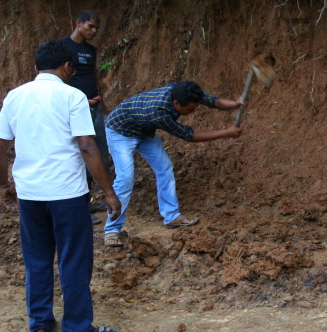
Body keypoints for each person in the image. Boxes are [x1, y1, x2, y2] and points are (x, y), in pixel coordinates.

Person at [0, 40, 122, 332]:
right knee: (73, 260)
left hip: (30, 195)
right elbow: (87, 145)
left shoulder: (15, 96)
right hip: (67, 194)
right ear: (67, 67)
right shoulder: (72, 96)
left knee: (36, 259)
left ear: (35, 68)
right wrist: (109, 192)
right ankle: (78, 330)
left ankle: (39, 325)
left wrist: (3, 186)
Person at [102, 80, 243, 246]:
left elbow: (213, 101)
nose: (192, 111)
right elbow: (188, 135)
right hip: (120, 132)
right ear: (176, 103)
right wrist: (226, 133)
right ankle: (112, 230)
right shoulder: (158, 111)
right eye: (189, 109)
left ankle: (171, 216)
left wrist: (234, 104)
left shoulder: (183, 92)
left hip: (144, 131)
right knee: (126, 177)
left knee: (164, 167)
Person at [59, 10, 110, 223]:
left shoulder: (91, 50)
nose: (94, 31)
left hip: (94, 106)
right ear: (78, 23)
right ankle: (78, 208)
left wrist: (103, 105)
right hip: (74, 108)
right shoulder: (62, 47)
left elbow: (93, 76)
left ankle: (86, 202)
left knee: (96, 151)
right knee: (78, 154)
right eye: (90, 26)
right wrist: (77, 102)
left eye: (96, 28)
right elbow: (60, 78)